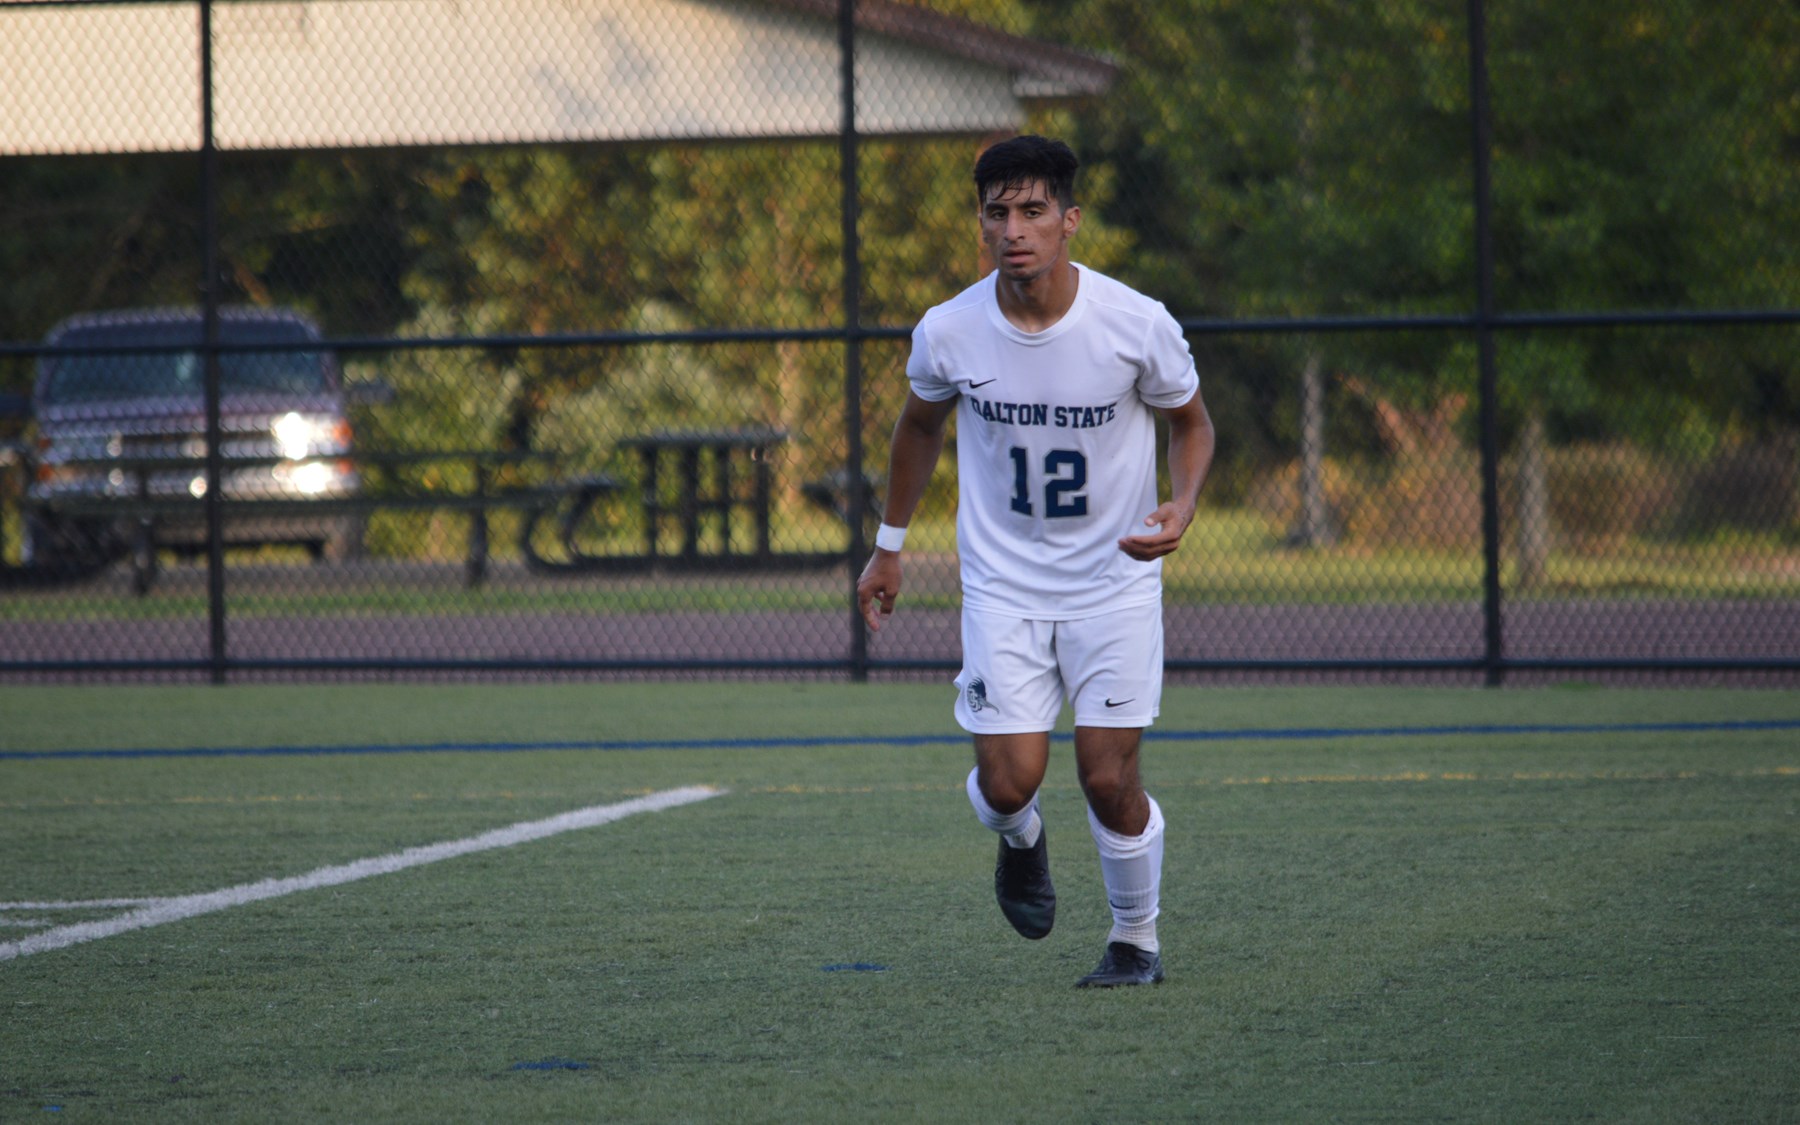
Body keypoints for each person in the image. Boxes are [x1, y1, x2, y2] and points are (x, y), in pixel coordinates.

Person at [856, 135, 1215, 988]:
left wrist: (1184, 502)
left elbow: (1191, 422)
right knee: (1011, 783)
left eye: (1032, 211)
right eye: (997, 213)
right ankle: (1021, 844)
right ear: (980, 223)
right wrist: (889, 547)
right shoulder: (948, 330)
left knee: (1105, 772)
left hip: (1115, 580)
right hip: (1003, 585)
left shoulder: (1135, 322)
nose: (1013, 230)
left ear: (1069, 221)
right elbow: (917, 426)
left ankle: (1136, 940)